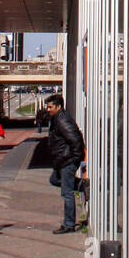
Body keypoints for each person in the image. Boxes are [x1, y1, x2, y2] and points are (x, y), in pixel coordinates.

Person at [46, 94, 86, 233]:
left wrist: (75, 159)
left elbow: (76, 140)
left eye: (50, 107)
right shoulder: (57, 118)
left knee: (67, 193)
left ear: (58, 107)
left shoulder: (62, 120)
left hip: (67, 161)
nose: (48, 109)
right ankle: (81, 185)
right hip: (62, 161)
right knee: (54, 179)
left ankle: (69, 224)